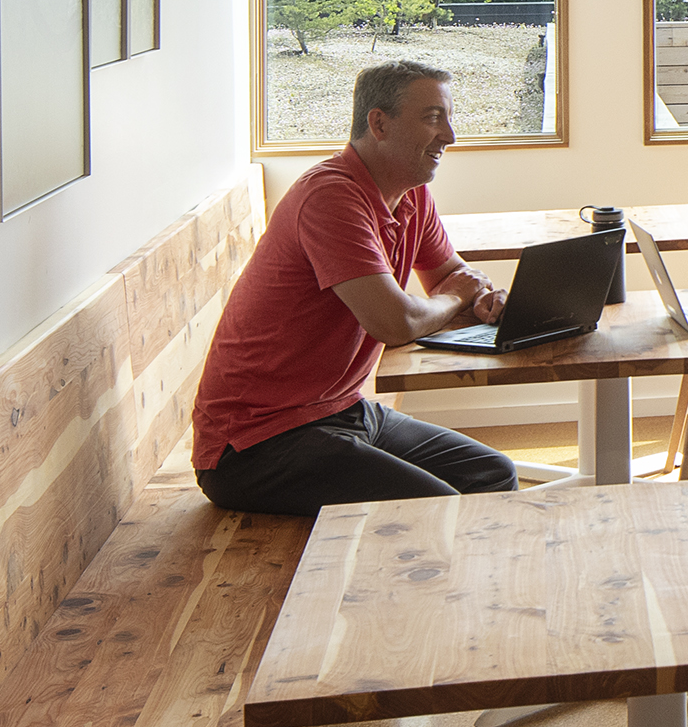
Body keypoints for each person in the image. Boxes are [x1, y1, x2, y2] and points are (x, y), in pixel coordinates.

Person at [191, 61, 520, 517]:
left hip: (340, 410)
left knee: (491, 473)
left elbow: (449, 275)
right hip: (255, 445)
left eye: (447, 117)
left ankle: (476, 587)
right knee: (438, 512)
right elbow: (396, 322)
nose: (450, 135)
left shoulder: (410, 191)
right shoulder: (330, 197)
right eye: (432, 118)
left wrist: (481, 298)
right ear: (379, 123)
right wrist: (459, 296)